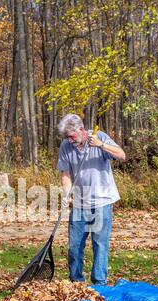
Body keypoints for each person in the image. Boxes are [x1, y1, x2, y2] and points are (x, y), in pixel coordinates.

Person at [56, 113, 126, 286]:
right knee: (74, 245)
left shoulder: (99, 137)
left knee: (99, 245)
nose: (69, 140)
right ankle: (76, 283)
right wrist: (67, 194)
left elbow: (122, 155)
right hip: (80, 203)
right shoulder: (66, 145)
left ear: (81, 130)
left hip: (102, 201)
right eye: (67, 137)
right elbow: (66, 174)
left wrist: (101, 145)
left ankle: (99, 284)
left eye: (71, 136)